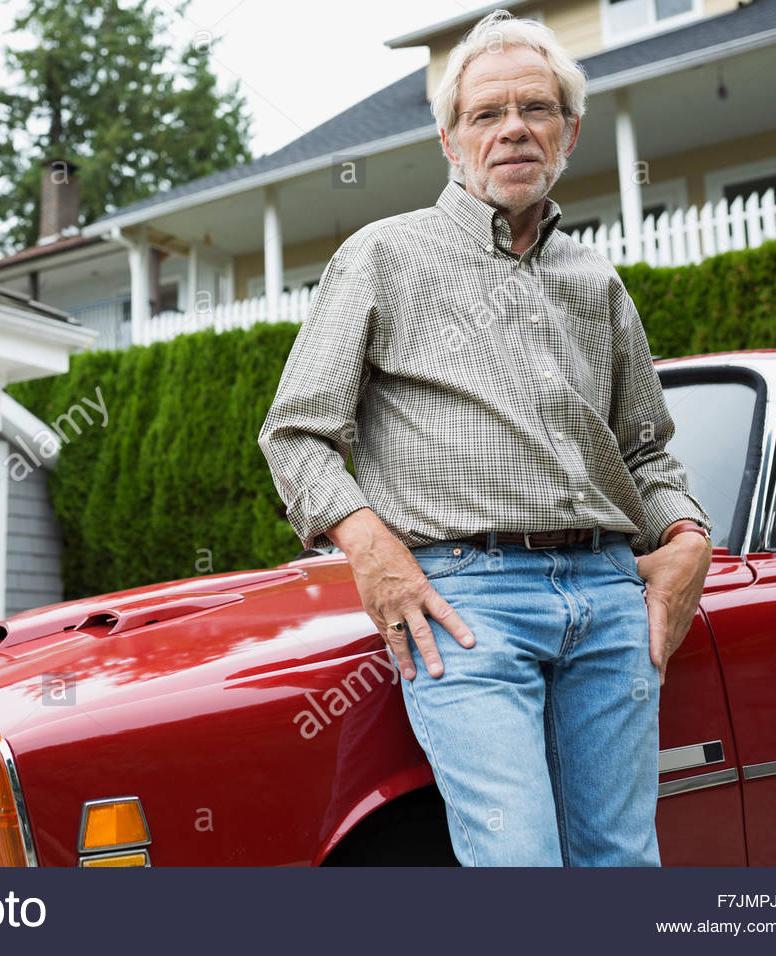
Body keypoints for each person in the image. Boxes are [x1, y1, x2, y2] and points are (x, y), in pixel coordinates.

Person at [256, 9, 713, 866]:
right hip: (467, 604)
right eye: (486, 113)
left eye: (536, 109)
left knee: (621, 861)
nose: (513, 129)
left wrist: (687, 537)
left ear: (569, 132)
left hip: (613, 599)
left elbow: (647, 451)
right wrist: (373, 550)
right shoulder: (383, 257)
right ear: (449, 139)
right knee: (520, 864)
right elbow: (296, 435)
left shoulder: (597, 282)